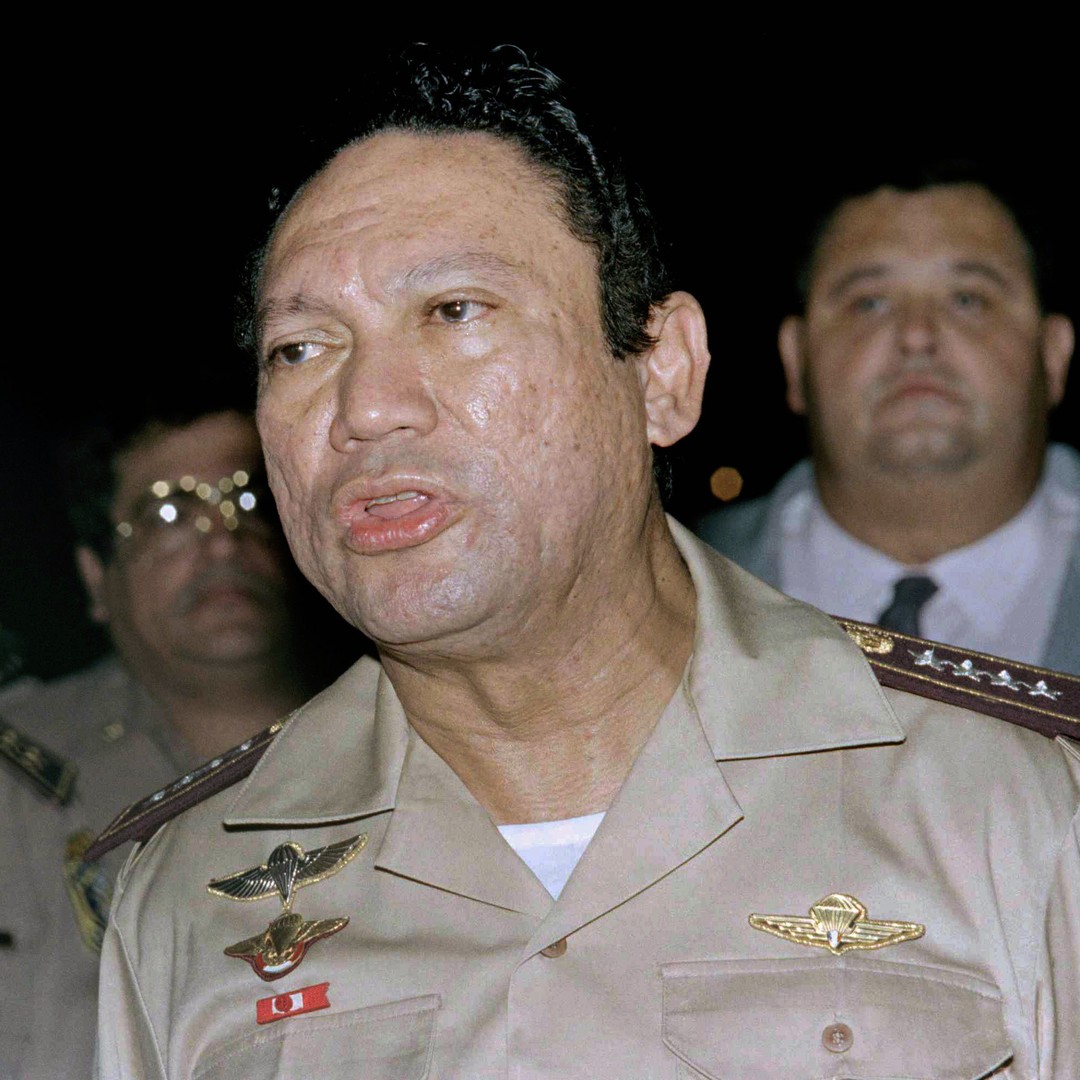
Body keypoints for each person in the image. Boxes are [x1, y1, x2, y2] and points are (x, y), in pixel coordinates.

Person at [95, 48, 1078, 1078]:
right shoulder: (187, 898)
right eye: (301, 348)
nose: (367, 406)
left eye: (454, 311)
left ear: (664, 373)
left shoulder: (1014, 810)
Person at [0, 396, 335, 1079]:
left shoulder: (419, 743)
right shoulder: (20, 780)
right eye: (170, 514)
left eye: (250, 501)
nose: (224, 539)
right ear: (97, 577)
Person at [696, 165, 1078, 673]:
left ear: (1053, 355)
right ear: (795, 358)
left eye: (968, 298)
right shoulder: (664, 583)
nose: (916, 336)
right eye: (869, 302)